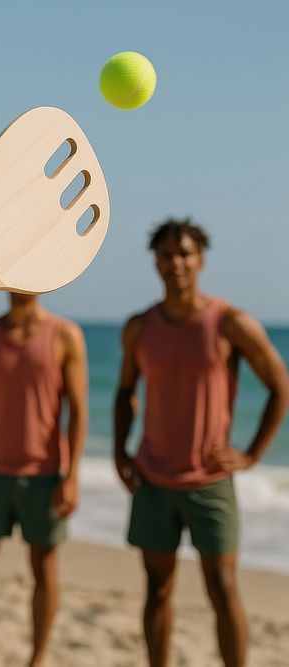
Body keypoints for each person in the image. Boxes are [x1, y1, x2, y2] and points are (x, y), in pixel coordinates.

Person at [113, 217, 289, 667]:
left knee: (223, 587)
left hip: (210, 480)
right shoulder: (139, 327)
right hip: (153, 477)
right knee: (157, 587)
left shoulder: (230, 323)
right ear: (155, 262)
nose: (175, 262)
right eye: (166, 255)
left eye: (184, 253)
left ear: (201, 261)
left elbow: (279, 385)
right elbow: (125, 391)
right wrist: (119, 451)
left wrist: (251, 454)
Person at [0, 293, 88, 667]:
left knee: (43, 567)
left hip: (44, 475)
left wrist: (72, 476)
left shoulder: (66, 336)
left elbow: (78, 412)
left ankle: (38, 657)